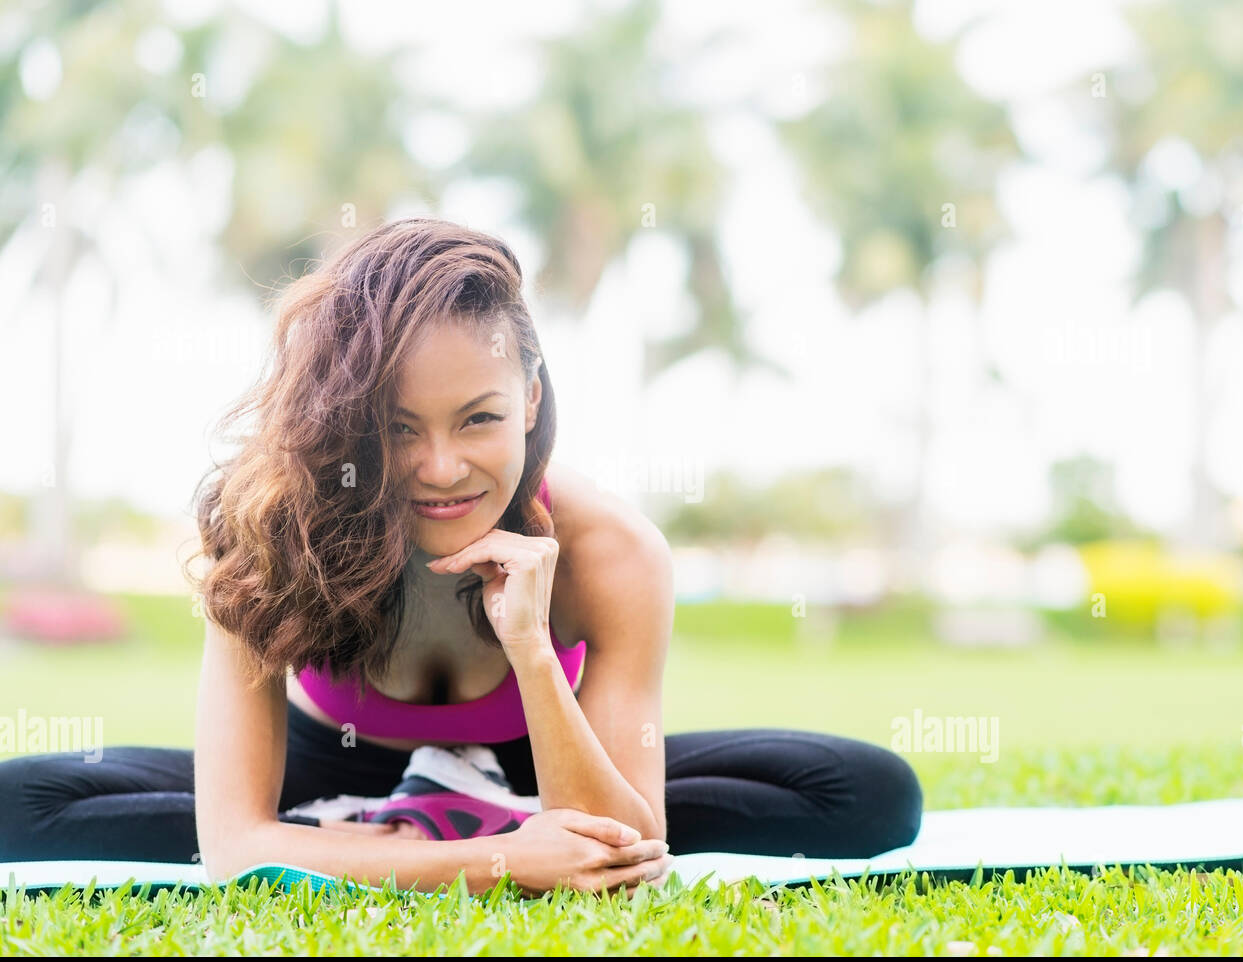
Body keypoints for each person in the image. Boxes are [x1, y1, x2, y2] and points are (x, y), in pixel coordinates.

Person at [0, 217, 923, 898]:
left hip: (538, 761)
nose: (441, 469)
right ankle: (399, 820)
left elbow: (629, 845)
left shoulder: (614, 552)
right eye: (399, 430)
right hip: (335, 767)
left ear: (528, 397)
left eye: (477, 418)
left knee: (870, 792)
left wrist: (529, 644)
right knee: (19, 801)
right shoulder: (273, 523)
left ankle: (368, 837)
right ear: (350, 419)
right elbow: (238, 844)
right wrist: (500, 858)